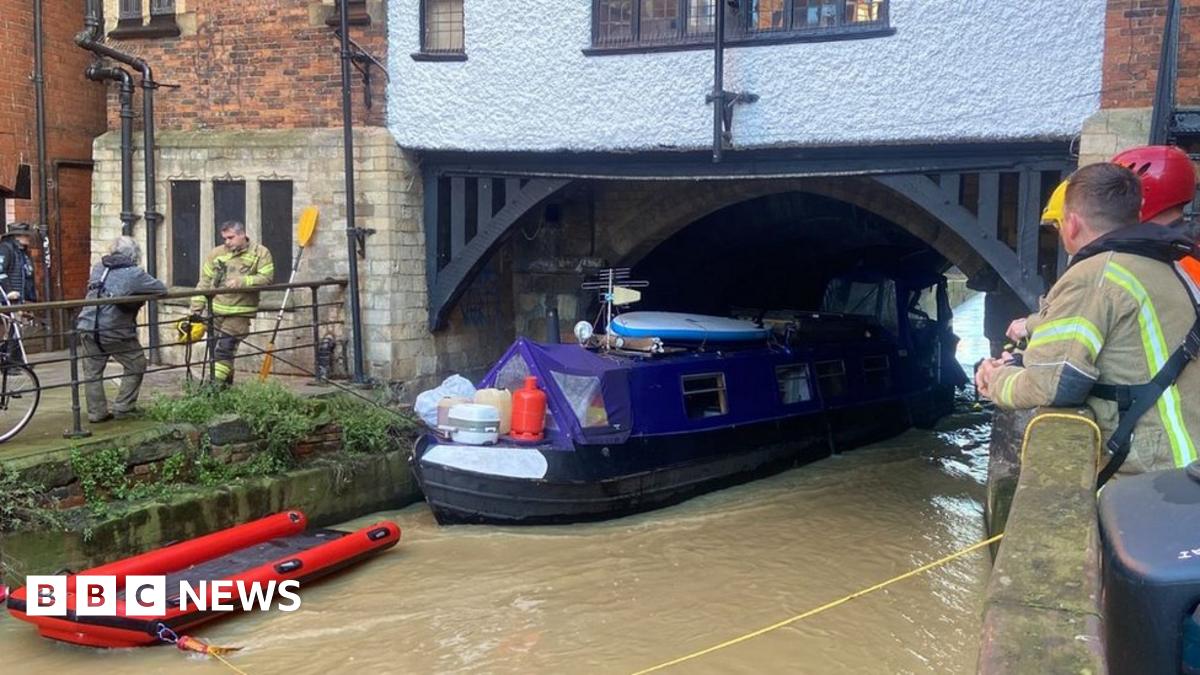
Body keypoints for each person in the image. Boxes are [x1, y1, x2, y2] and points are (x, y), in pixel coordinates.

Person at [977, 162, 1200, 481]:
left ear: (1071, 224)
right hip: (1189, 460)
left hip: (1157, 473)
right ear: (1136, 216)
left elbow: (1051, 386)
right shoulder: (1171, 267)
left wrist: (995, 379)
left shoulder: (1093, 276)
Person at [75, 236, 167, 422]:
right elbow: (161, 289)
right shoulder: (134, 273)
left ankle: (96, 413)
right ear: (135, 255)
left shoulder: (98, 268)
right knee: (136, 364)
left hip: (87, 325)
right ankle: (124, 407)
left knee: (92, 372)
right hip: (114, 330)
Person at [189, 220, 274, 385]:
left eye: (231, 237)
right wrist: (196, 308)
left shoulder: (260, 253)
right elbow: (205, 281)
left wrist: (243, 281)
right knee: (215, 351)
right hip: (216, 310)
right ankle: (225, 387)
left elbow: (267, 278)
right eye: (225, 238)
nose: (227, 242)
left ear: (242, 234)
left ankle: (212, 387)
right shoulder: (216, 253)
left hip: (240, 311)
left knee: (225, 349)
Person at [0, 221, 38, 304]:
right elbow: (1, 272)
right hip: (9, 301)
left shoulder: (23, 252)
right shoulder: (6, 249)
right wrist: (9, 291)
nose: (28, 237)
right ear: (16, 237)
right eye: (26, 235)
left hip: (23, 300)